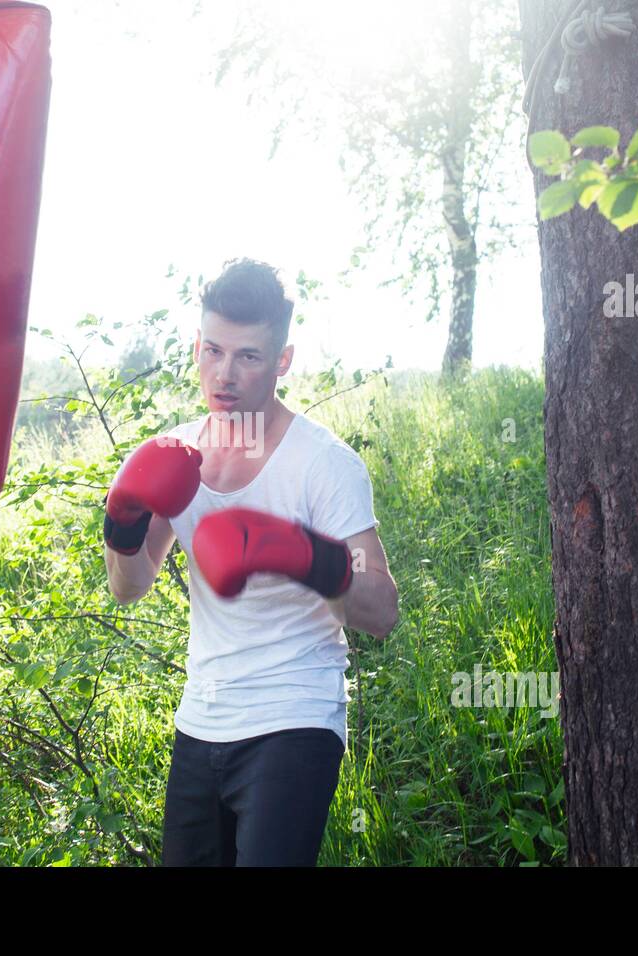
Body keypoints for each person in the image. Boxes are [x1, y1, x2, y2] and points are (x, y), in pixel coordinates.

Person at [102, 257, 399, 866]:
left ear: (283, 361)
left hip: (296, 716)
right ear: (196, 347)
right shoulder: (176, 457)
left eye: (249, 356)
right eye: (213, 351)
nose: (225, 373)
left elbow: (382, 612)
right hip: (202, 718)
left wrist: (303, 555)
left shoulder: (323, 463)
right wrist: (123, 517)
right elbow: (127, 588)